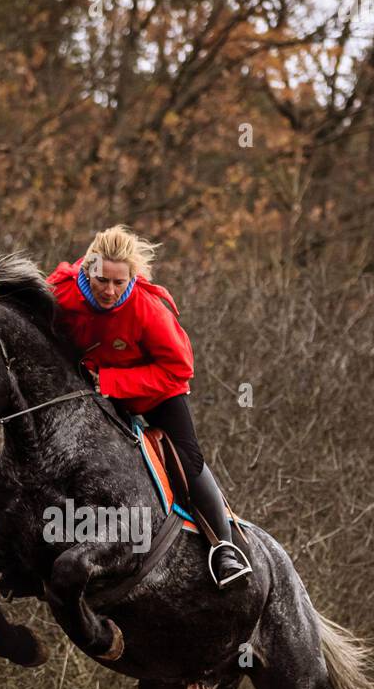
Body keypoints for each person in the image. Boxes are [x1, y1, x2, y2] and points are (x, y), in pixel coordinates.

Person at [46, 225, 251, 587]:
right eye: (101, 280)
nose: (109, 290)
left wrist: (110, 382)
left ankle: (224, 549)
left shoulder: (147, 307)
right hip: (88, 389)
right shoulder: (60, 292)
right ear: (87, 270)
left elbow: (179, 368)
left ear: (132, 278)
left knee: (188, 461)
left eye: (119, 283)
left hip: (155, 391)